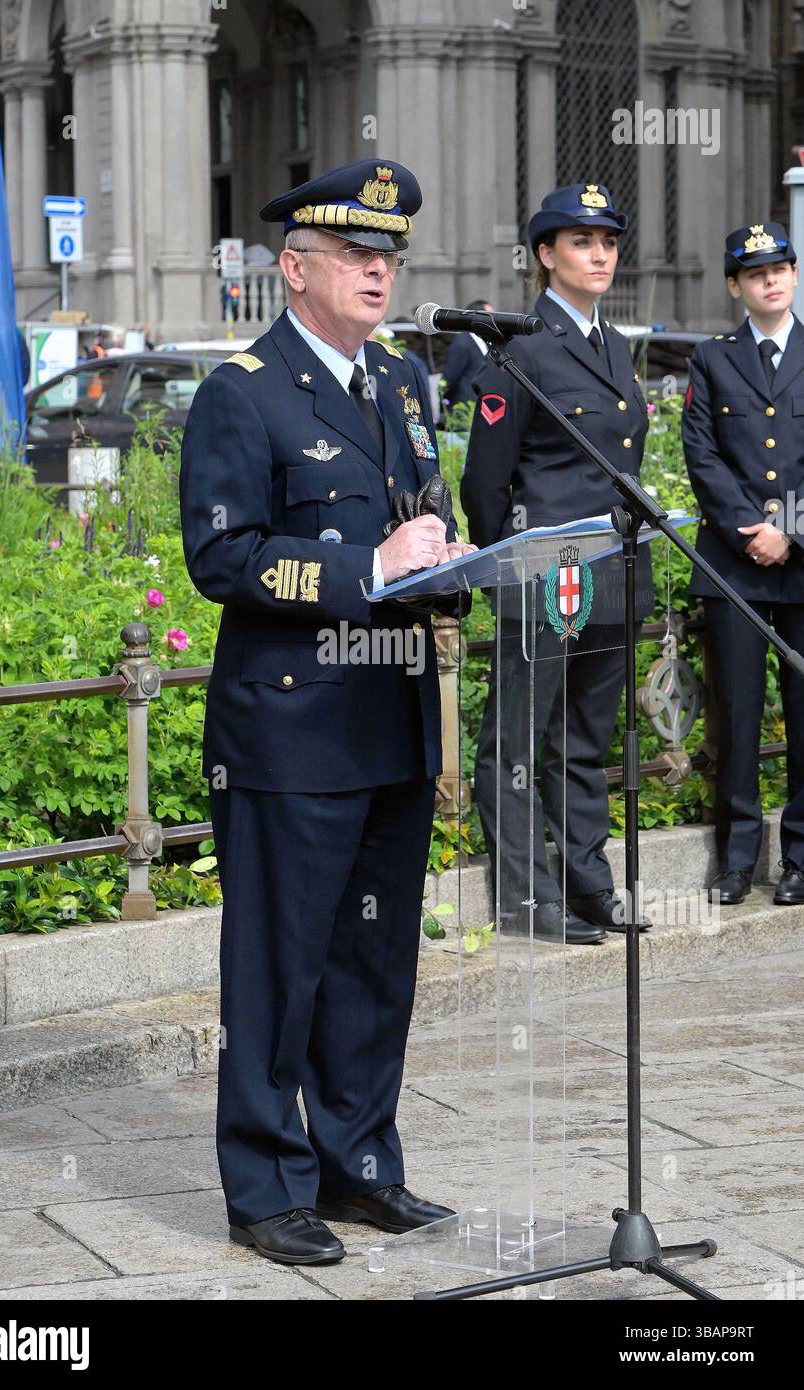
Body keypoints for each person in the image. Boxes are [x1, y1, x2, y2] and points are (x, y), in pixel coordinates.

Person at [180, 159, 474, 1266]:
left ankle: (358, 1165)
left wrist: (452, 557)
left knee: (371, 961)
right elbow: (223, 557)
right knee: (279, 965)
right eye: (357, 256)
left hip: (390, 714)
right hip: (291, 730)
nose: (378, 272)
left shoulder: (398, 383)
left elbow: (422, 512)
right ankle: (264, 1186)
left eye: (387, 256)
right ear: (293, 269)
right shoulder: (241, 392)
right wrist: (366, 565)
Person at [461, 182, 654, 945]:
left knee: (583, 742)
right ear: (545, 255)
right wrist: (512, 564)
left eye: (608, 242)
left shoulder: (613, 344)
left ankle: (588, 888)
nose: (599, 254)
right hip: (544, 575)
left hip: (610, 576)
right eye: (581, 242)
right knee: (514, 742)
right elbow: (485, 484)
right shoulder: (521, 349)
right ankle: (528, 899)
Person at [682, 221, 804, 907]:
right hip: (734, 566)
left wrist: (789, 532)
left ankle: (802, 860)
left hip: (802, 563)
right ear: (736, 286)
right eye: (756, 273)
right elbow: (702, 455)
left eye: (781, 267)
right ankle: (736, 860)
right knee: (738, 715)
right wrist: (752, 534)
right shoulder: (711, 359)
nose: (771, 279)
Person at [442, 298, 494, 407]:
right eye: (490, 316)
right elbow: (450, 377)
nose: (494, 321)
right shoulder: (462, 342)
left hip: (482, 405)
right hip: (464, 409)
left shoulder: (486, 341)